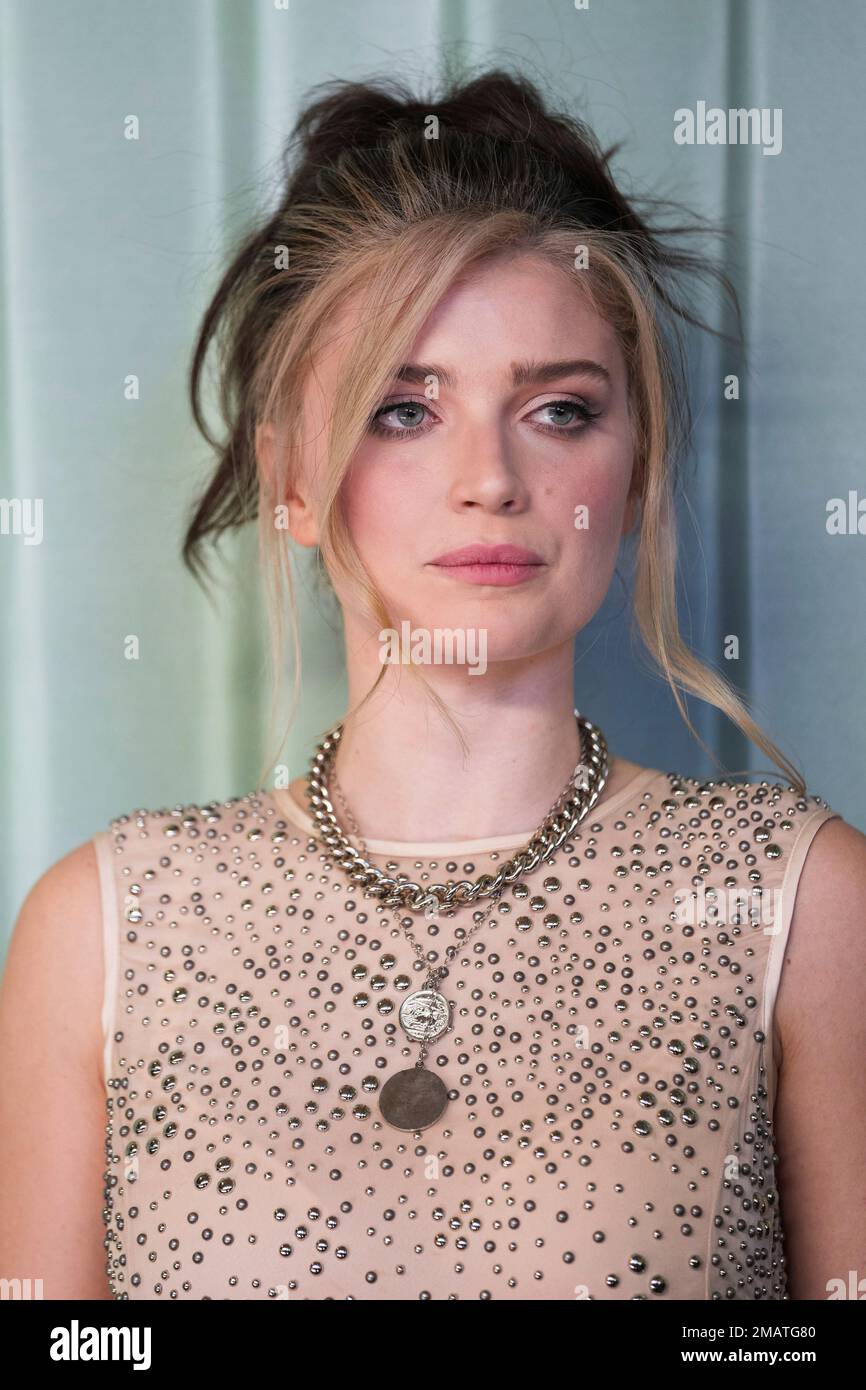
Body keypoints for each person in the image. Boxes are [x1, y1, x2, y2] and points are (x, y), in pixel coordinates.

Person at [2, 68, 864, 1302]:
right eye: (403, 411)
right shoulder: (106, 927)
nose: (490, 478)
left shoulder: (797, 901)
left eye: (559, 408)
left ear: (631, 469)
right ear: (291, 480)